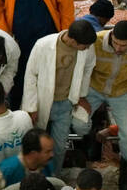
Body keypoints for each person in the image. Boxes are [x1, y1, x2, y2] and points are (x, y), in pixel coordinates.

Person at [23, 20, 97, 175]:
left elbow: (88, 68)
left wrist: (82, 95)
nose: (88, 49)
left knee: (58, 147)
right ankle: (33, 178)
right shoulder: (43, 45)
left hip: (65, 104)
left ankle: (53, 177)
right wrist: (31, 107)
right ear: (72, 40)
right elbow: (31, 75)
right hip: (42, 103)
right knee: (37, 146)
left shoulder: (86, 48)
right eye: (85, 46)